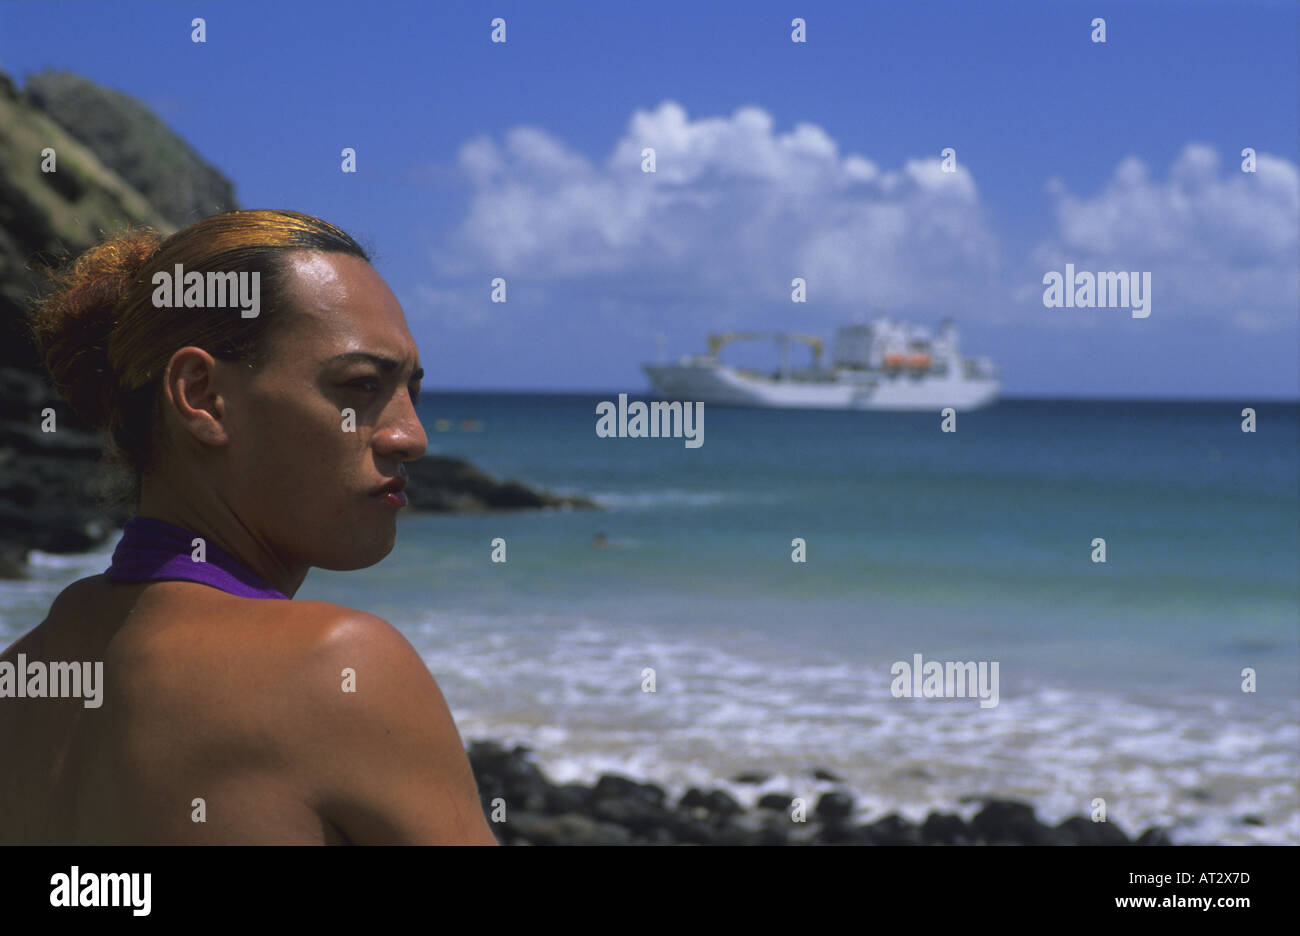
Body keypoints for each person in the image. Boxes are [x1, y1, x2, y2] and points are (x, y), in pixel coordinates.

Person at [0, 209, 498, 845]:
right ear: (202, 396)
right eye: (361, 386)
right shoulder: (341, 667)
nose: (412, 436)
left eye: (411, 393)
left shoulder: (21, 682)